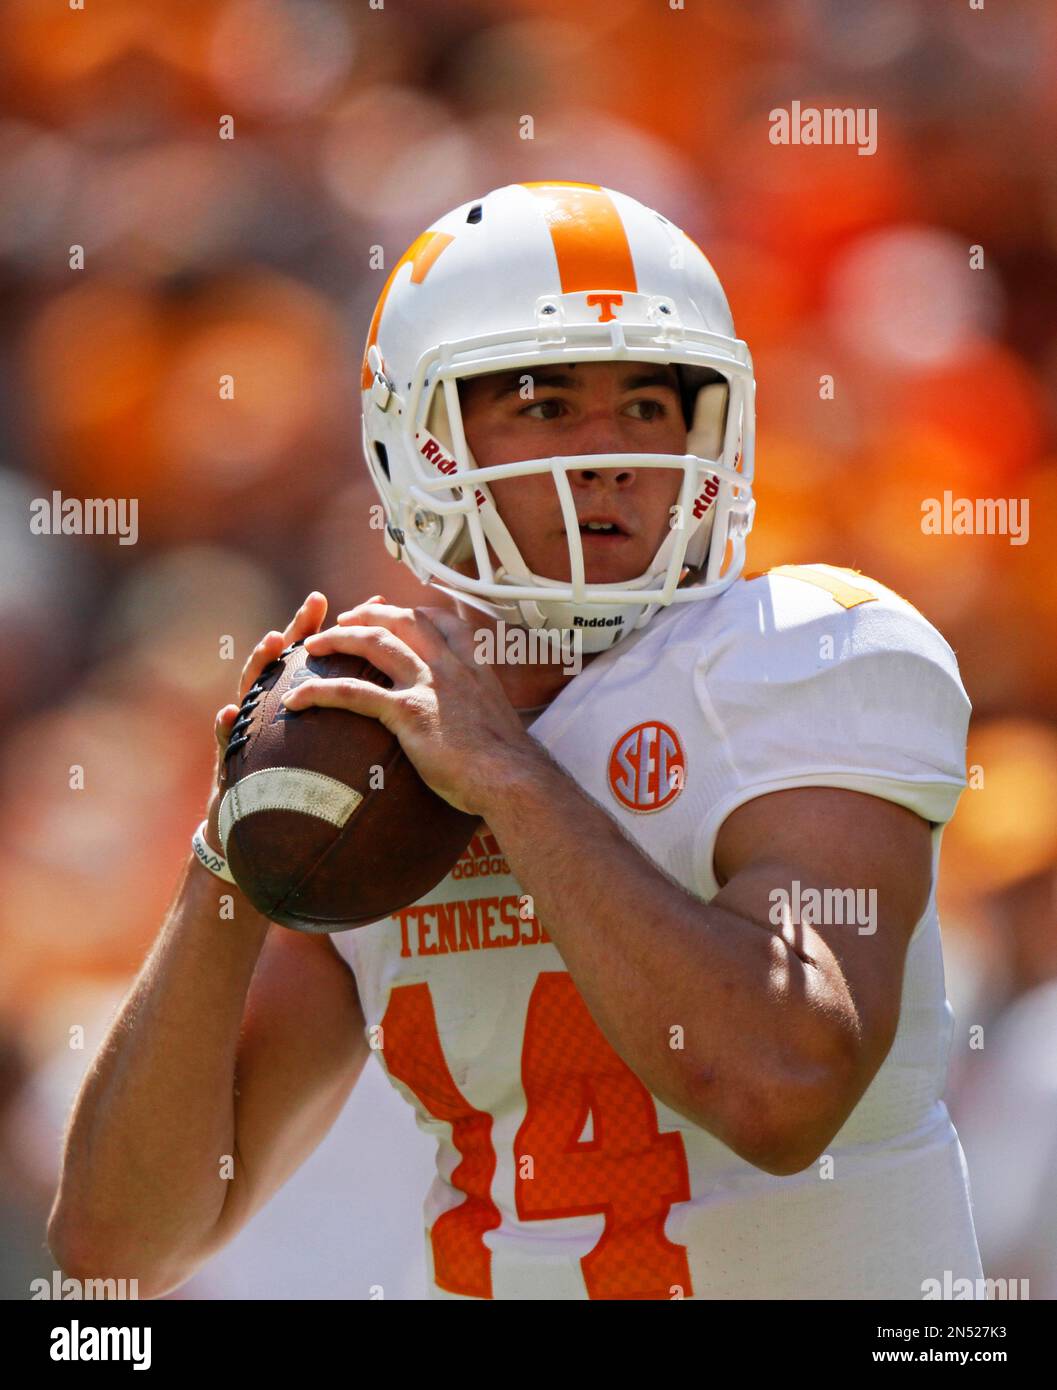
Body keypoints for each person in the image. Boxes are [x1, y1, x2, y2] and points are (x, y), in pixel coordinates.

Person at [48, 182, 983, 1300]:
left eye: (648, 405)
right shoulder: (380, 740)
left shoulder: (810, 649)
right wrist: (232, 850)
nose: (609, 454)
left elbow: (781, 1084)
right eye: (544, 406)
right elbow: (117, 1251)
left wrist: (509, 776)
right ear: (420, 441)